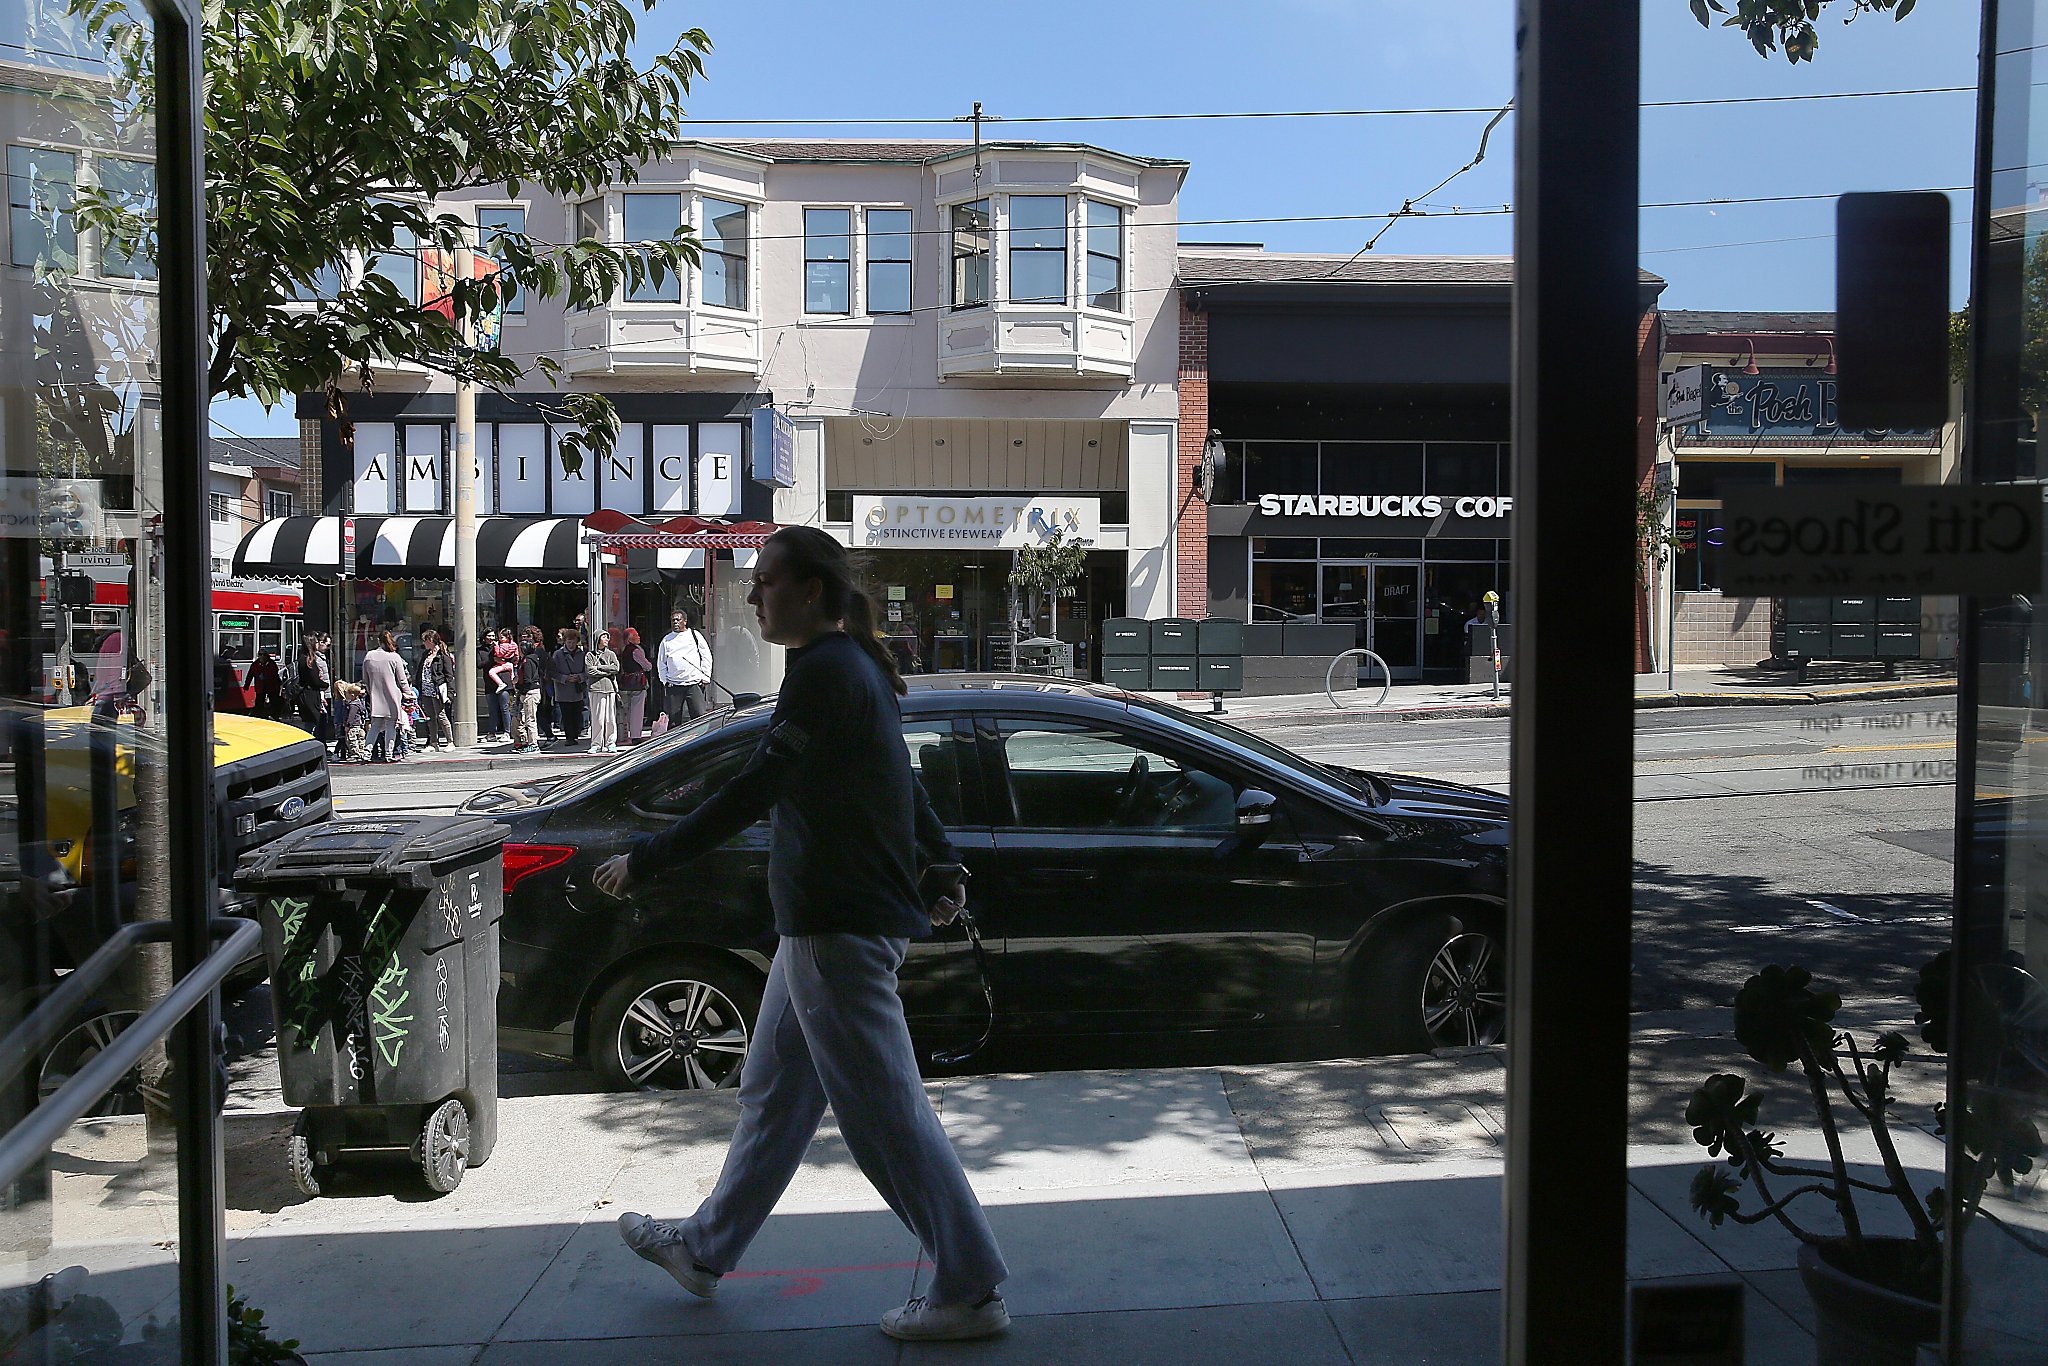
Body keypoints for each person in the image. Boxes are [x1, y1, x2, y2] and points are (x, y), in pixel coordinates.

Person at [601, 526, 1009, 1344]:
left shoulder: (825, 672)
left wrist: (647, 858)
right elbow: (901, 783)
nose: (755, 596)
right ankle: (705, 1250)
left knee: (885, 1116)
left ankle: (969, 1288)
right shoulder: (850, 666)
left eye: (767, 582)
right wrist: (940, 866)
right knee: (776, 1093)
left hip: (837, 926)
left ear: (811, 590)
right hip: (821, 927)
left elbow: (756, 787)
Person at [658, 608, 714, 726]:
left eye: (678, 620)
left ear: (685, 621)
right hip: (674, 684)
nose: (675, 622)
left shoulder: (695, 635)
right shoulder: (666, 640)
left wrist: (705, 676)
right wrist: (664, 680)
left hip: (694, 683)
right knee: (674, 721)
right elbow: (661, 662)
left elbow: (706, 656)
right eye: (673, 620)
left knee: (699, 717)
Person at [361, 629, 409, 763]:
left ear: (378, 641)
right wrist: (408, 693)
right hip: (392, 696)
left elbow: (365, 679)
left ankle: (366, 753)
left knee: (374, 727)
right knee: (391, 726)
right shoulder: (394, 657)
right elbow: (402, 680)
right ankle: (389, 754)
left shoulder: (369, 656)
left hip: (376, 696)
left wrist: (370, 691)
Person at [548, 627, 587, 746]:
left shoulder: (582, 654)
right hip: (563, 690)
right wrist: (565, 678)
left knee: (577, 713)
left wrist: (579, 677)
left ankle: (575, 734)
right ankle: (569, 738)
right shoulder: (557, 654)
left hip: (577, 689)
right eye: (569, 642)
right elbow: (552, 672)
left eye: (573, 642)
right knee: (566, 715)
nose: (571, 645)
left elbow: (587, 671)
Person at [417, 630, 455, 750]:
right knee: (430, 717)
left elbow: (449, 676)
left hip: (437, 689)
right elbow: (420, 671)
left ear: (431, 641)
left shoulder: (443, 656)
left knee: (441, 715)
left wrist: (450, 693)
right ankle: (433, 742)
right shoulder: (426, 654)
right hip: (426, 689)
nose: (424, 643)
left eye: (425, 641)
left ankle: (450, 741)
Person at [585, 629, 621, 754]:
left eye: (607, 637)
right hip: (595, 688)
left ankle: (611, 743)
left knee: (610, 718)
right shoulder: (590, 655)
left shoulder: (611, 654)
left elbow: (616, 668)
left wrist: (600, 667)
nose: (606, 640)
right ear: (597, 639)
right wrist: (606, 672)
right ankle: (596, 743)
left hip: (610, 688)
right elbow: (590, 671)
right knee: (597, 718)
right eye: (604, 637)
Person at [511, 625, 545, 753]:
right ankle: (523, 741)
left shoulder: (528, 661)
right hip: (527, 692)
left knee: (530, 719)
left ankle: (533, 744)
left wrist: (519, 687)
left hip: (530, 692)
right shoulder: (527, 660)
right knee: (520, 718)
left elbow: (528, 679)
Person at [618, 627, 653, 743]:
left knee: (628, 710)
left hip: (626, 682)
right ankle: (636, 735)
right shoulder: (636, 651)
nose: (638, 637)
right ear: (629, 639)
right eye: (635, 635)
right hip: (637, 683)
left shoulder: (624, 650)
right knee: (637, 709)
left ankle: (626, 734)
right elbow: (648, 666)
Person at [487, 627, 520, 741]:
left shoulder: (502, 646)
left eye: (501, 637)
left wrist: (497, 648)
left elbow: (499, 654)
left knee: (504, 708)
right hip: (508, 672)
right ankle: (504, 731)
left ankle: (507, 731)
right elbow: (516, 657)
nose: (499, 639)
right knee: (503, 708)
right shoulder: (514, 645)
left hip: (504, 679)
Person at [295, 639, 328, 736]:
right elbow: (315, 681)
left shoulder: (303, 658)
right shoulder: (308, 660)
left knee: (309, 722)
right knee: (314, 722)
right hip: (310, 695)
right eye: (316, 642)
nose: (318, 644)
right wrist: (325, 684)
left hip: (306, 694)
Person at [250, 648, 284, 719]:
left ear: (267, 656)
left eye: (264, 654)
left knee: (274, 702)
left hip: (271, 687)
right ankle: (259, 716)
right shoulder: (255, 664)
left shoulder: (272, 664)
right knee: (259, 702)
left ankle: (274, 716)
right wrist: (246, 685)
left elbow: (275, 676)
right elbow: (250, 675)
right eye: (260, 654)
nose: (262, 656)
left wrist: (278, 686)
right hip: (260, 687)